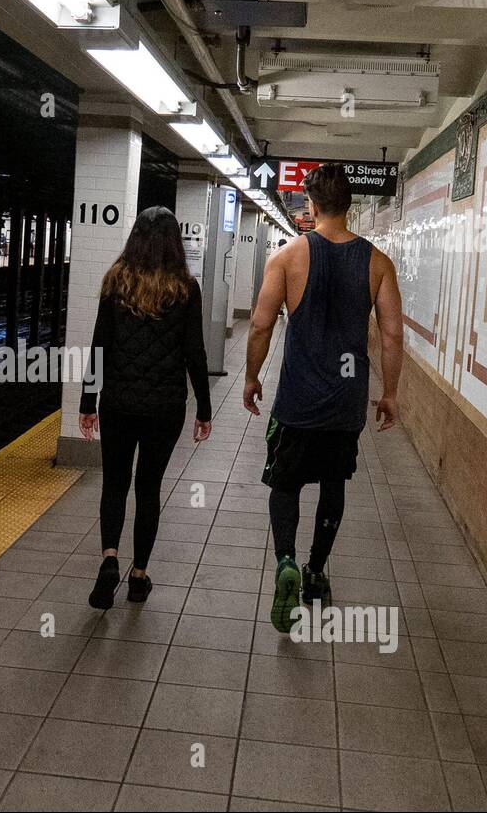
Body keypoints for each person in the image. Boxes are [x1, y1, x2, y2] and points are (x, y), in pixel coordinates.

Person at [242, 162, 404, 633]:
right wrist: (389, 394)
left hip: (296, 400)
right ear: (350, 206)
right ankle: (315, 571)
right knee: (334, 486)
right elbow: (392, 336)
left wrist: (252, 377)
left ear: (310, 206)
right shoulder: (377, 263)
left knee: (285, 484)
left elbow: (260, 323)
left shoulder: (288, 257)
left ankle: (286, 561)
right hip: (345, 403)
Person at [79, 207, 213, 610]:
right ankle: (138, 577)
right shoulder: (186, 289)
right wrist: (204, 408)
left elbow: (99, 348)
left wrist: (88, 402)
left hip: (118, 402)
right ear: (175, 244)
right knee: (149, 488)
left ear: (135, 238)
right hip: (165, 407)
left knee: (115, 484)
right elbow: (195, 354)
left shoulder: (115, 282)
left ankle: (109, 560)